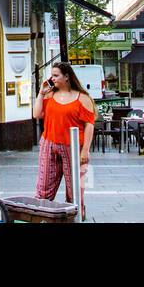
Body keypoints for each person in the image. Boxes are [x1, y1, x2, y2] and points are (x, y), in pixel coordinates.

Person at [32, 62, 96, 220]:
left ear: (66, 77)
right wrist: (41, 93)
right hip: (49, 143)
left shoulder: (82, 98)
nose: (52, 78)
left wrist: (85, 150)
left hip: (73, 146)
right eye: (52, 75)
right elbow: (36, 114)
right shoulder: (49, 95)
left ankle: (76, 216)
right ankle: (42, 216)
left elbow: (89, 125)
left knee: (74, 188)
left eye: (56, 75)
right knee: (44, 186)